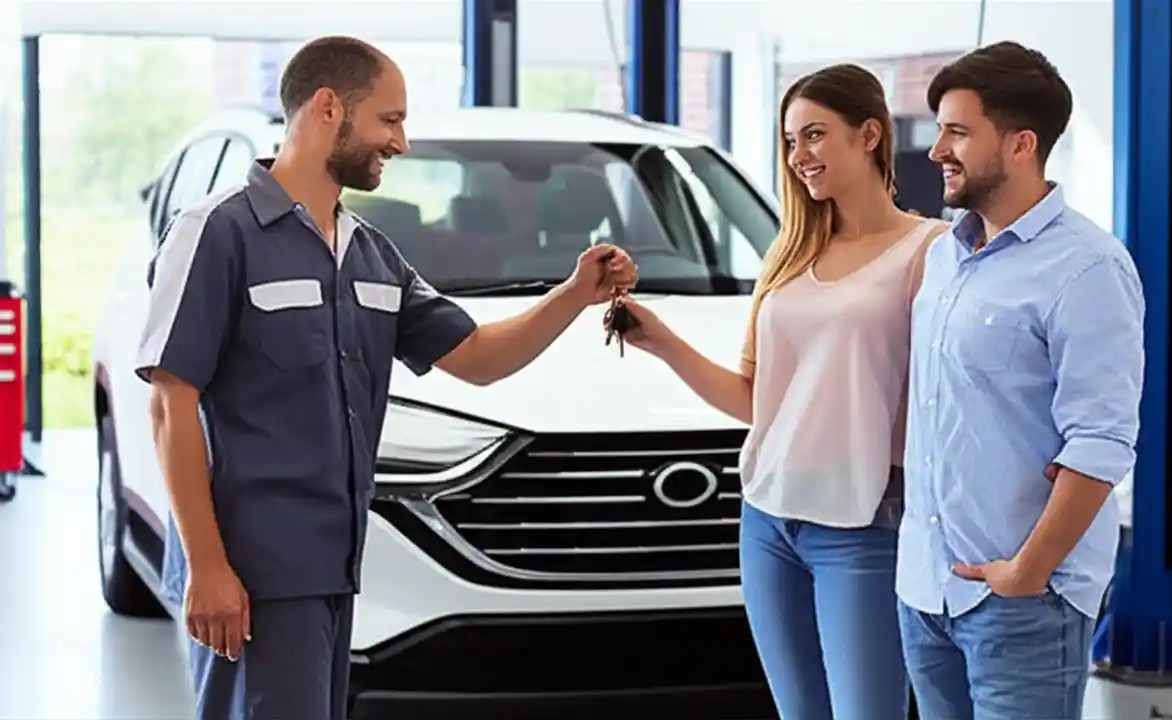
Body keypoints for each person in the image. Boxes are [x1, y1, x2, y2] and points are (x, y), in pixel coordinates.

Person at [134, 36, 637, 720]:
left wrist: (574, 293)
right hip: (249, 567)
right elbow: (171, 405)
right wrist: (207, 565)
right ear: (328, 108)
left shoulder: (371, 254)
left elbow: (480, 358)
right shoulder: (217, 233)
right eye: (390, 120)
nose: (400, 143)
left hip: (331, 565)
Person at [613, 64, 947, 720]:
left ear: (871, 134)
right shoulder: (790, 253)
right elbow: (755, 401)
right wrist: (662, 341)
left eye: (816, 135)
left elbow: (951, 400)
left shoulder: (929, 251)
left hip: (865, 521)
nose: (800, 157)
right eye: (791, 142)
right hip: (767, 517)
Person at [895, 41, 1145, 720]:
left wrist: (1028, 571)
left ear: (1020, 145)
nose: (936, 150)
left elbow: (1101, 442)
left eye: (957, 131)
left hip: (1025, 601)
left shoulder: (1088, 268)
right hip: (926, 590)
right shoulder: (945, 255)